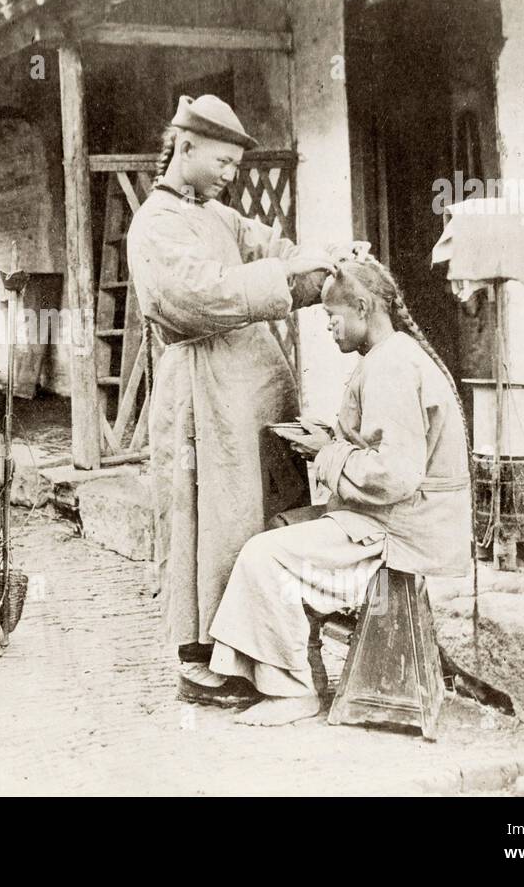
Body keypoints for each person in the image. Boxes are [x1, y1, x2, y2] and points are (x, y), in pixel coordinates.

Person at [125, 94, 335, 707]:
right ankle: (201, 660)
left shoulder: (216, 215)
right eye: (221, 162)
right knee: (207, 520)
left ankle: (260, 649)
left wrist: (313, 261)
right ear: (184, 148)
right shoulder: (156, 223)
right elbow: (198, 298)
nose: (228, 176)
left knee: (257, 514)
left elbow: (268, 245)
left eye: (235, 169)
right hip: (203, 393)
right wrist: (286, 283)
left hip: (251, 395)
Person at [207, 256, 472, 725]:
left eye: (333, 316)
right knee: (281, 528)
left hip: (402, 532)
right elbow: (380, 445)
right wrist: (329, 438)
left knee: (262, 555)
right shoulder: (391, 356)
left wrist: (327, 454)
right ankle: (302, 670)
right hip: (393, 519)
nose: (328, 327)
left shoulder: (391, 366)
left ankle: (294, 692)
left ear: (364, 307)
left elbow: (395, 475)